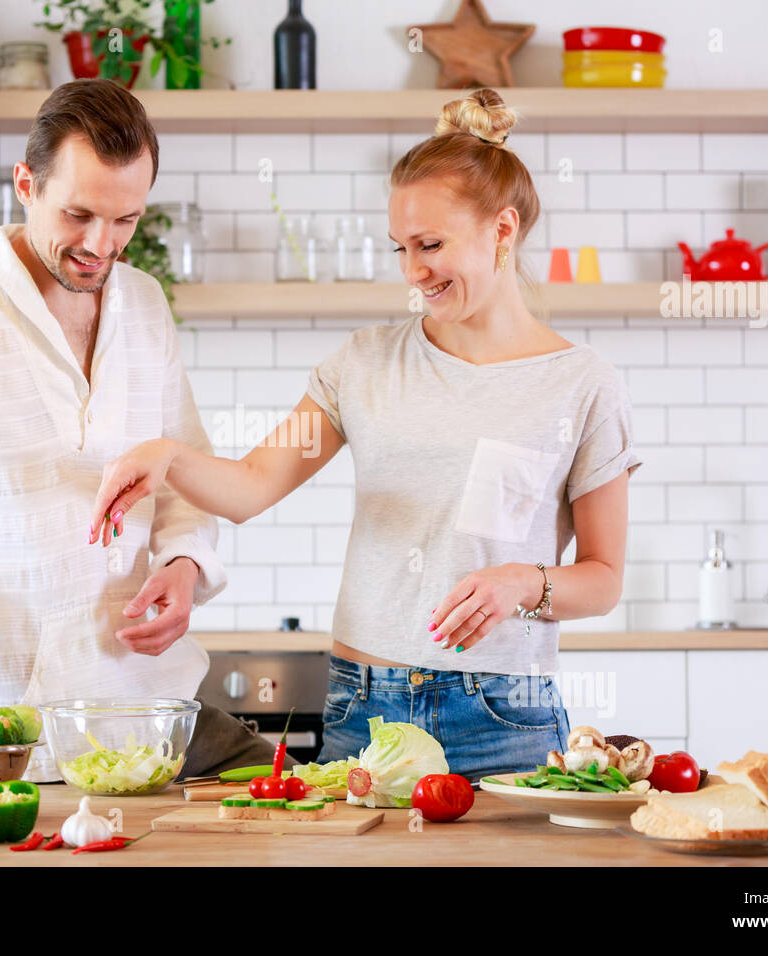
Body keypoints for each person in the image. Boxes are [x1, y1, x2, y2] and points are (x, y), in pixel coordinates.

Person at [87, 88, 643, 780]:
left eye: (431, 245)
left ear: (504, 230)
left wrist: (523, 583)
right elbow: (252, 486)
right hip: (365, 708)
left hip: (502, 716)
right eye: (402, 248)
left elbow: (604, 578)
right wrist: (165, 457)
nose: (414, 271)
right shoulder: (366, 364)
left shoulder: (583, 385)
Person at [0, 79, 284, 780]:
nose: (102, 246)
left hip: (160, 715)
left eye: (126, 220)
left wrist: (185, 566)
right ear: (25, 185)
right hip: (20, 737)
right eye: (79, 214)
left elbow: (184, 476)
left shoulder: (144, 303)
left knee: (313, 820)